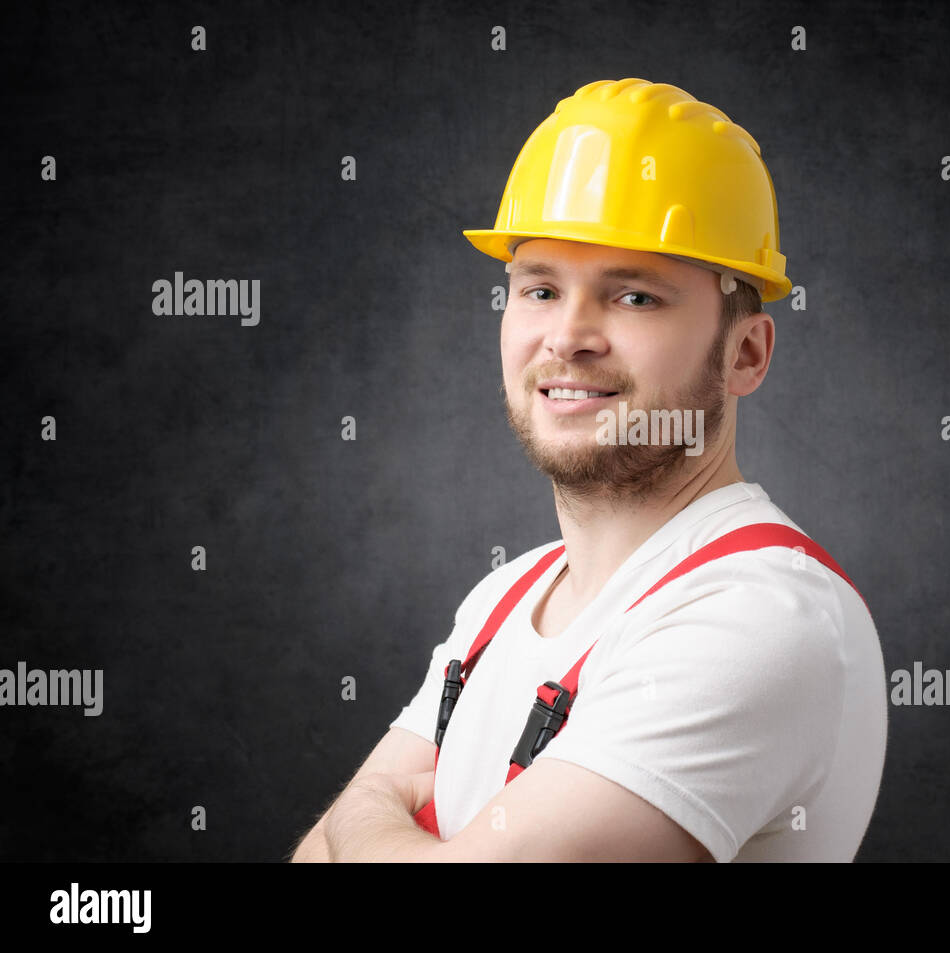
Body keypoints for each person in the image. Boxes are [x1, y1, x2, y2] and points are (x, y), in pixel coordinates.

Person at [291, 77, 887, 863]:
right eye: (539, 287)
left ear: (745, 354)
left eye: (635, 297)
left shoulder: (762, 616)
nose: (567, 337)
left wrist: (364, 809)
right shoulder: (506, 597)